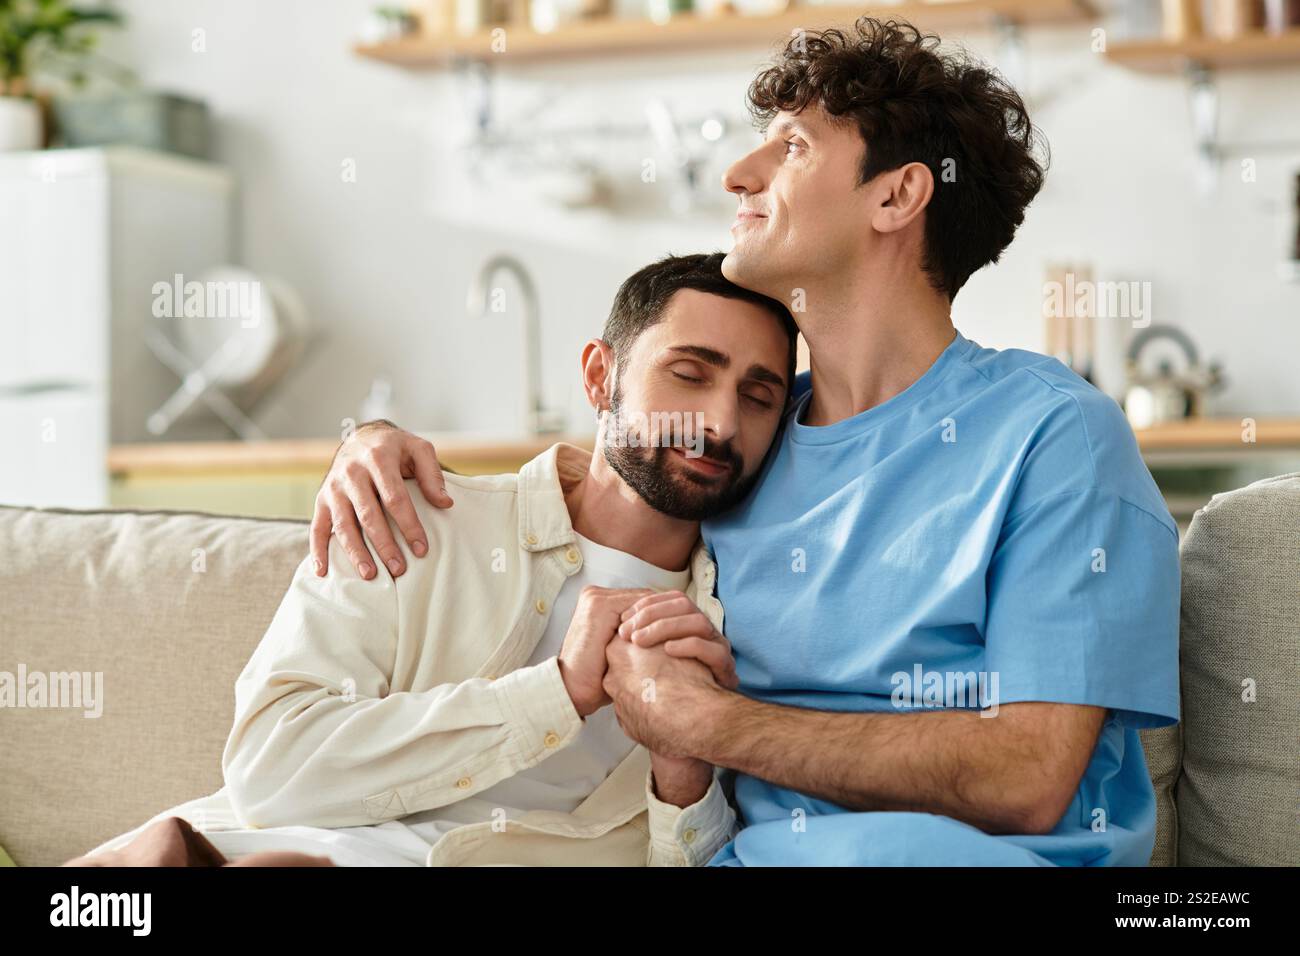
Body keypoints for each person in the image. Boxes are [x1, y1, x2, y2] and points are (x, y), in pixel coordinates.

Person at [314, 18, 1181, 867]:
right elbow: (591, 504)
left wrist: (713, 725)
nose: (738, 174)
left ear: (896, 196)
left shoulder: (1053, 435)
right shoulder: (739, 447)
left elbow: (1026, 775)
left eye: (793, 147)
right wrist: (378, 448)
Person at [72, 252, 797, 867]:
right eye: (690, 374)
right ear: (599, 376)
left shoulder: (740, 624)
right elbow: (268, 767)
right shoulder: (410, 513)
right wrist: (558, 693)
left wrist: (683, 771)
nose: (721, 424)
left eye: (758, 397)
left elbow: (688, 858)